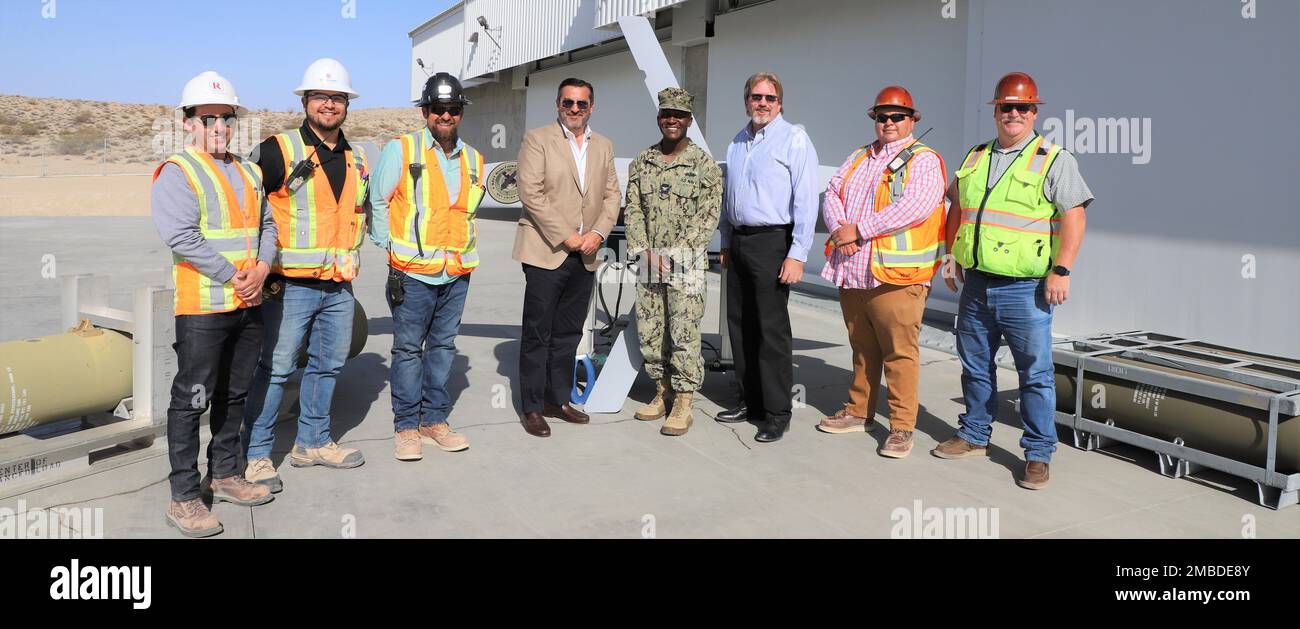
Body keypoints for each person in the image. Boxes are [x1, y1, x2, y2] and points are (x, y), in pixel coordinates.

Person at [933, 71, 1094, 490]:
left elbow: (1074, 216)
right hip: (976, 283)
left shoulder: (1054, 159)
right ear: (996, 111)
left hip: (1026, 288)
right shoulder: (975, 156)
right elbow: (957, 207)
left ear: (1034, 111)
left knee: (1034, 373)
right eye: (1007, 107)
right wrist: (950, 254)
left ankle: (1039, 454)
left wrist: (1062, 269)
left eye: (1023, 107)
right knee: (975, 365)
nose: (1014, 114)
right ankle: (974, 435)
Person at [151, 71, 275, 536]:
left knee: (235, 394)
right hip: (203, 308)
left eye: (227, 117)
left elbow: (268, 225)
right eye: (209, 118)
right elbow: (181, 235)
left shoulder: (248, 169)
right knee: (191, 401)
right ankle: (184, 497)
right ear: (188, 123)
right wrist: (235, 275)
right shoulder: (178, 173)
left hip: (248, 303)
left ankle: (223, 474)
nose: (220, 126)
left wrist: (261, 269)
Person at [242, 58, 371, 489]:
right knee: (276, 370)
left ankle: (312, 442)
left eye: (337, 98)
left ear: (347, 104)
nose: (329, 104)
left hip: (338, 287)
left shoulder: (356, 158)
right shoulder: (276, 150)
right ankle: (257, 453)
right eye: (321, 96)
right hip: (289, 286)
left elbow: (357, 215)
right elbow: (247, 209)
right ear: (305, 100)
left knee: (327, 367)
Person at [817, 86, 947, 459]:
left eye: (897, 116)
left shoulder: (923, 159)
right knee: (863, 350)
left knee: (900, 355)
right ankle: (859, 412)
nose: (888, 123)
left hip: (896, 278)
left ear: (912, 120)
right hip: (854, 271)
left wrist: (859, 230)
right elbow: (833, 192)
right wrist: (842, 230)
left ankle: (903, 427)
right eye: (882, 117)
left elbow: (917, 206)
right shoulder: (860, 156)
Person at [368, 73, 484, 460]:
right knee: (406, 351)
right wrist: (391, 247)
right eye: (438, 109)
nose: (446, 116)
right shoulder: (400, 150)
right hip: (412, 274)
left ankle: (433, 421)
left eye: (453, 110)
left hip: (456, 271)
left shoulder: (473, 158)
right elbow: (379, 201)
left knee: (443, 348)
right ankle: (405, 427)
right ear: (425, 111)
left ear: (460, 113)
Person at [714, 72, 820, 443]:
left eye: (769, 98)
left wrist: (797, 254)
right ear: (746, 101)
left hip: (773, 242)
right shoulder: (737, 141)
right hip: (740, 242)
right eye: (755, 97)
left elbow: (807, 200)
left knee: (771, 331)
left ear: (780, 103)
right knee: (740, 325)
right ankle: (750, 401)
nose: (762, 103)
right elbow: (730, 197)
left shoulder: (794, 139)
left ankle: (777, 412)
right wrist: (726, 242)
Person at [512, 77, 621, 438]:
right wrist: (568, 236)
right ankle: (531, 406)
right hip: (548, 251)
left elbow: (610, 197)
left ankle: (556, 399)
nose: (575, 110)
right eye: (568, 103)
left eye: (582, 104)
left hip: (587, 253)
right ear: (558, 105)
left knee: (568, 332)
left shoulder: (603, 145)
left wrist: (597, 234)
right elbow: (532, 194)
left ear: (592, 107)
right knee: (538, 332)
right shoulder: (537, 140)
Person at [623, 87, 723, 436]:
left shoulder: (703, 165)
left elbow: (708, 216)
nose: (672, 120)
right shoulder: (643, 161)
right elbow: (633, 209)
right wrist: (644, 250)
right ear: (659, 118)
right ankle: (661, 391)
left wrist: (675, 256)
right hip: (649, 262)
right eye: (667, 114)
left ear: (689, 121)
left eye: (679, 115)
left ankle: (683, 400)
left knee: (683, 331)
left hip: (686, 267)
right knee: (651, 332)